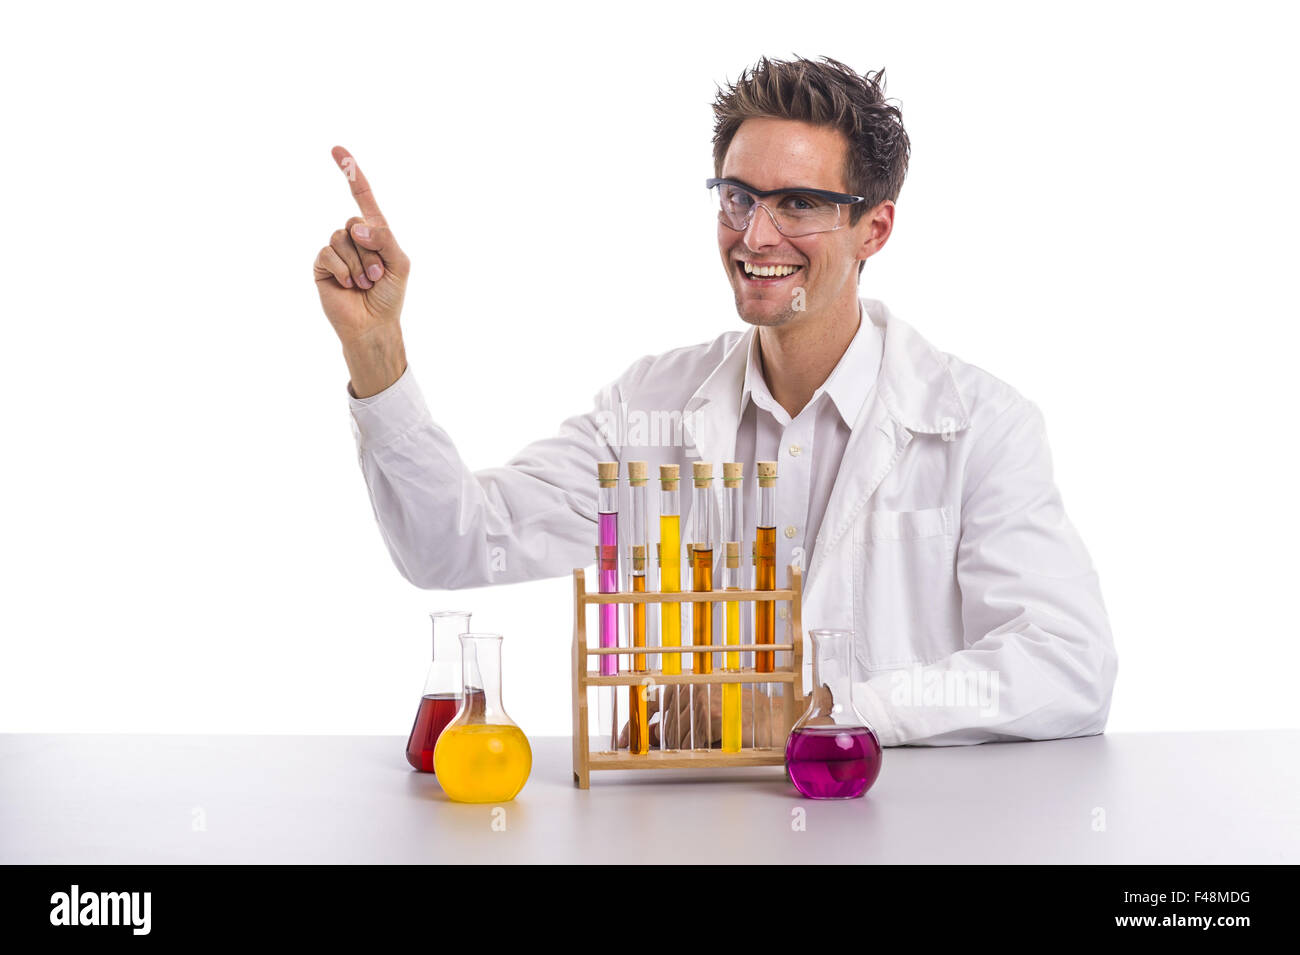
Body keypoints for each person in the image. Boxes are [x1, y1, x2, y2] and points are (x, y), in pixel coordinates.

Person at [312, 55, 1118, 748]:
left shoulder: (982, 426)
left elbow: (1066, 662)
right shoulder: (652, 410)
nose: (756, 237)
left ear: (874, 229)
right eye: (738, 197)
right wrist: (375, 352)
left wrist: (826, 709)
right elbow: (454, 543)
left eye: (798, 203)